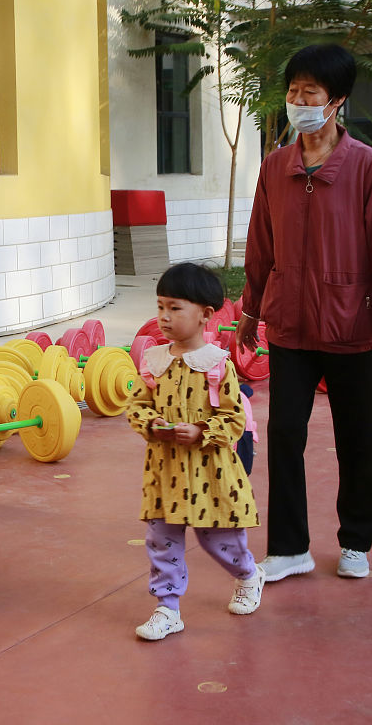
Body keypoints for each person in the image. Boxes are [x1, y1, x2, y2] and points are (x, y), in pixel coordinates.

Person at [236, 43, 372, 584]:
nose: (299, 101)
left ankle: (356, 542)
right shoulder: (275, 167)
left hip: (353, 326)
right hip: (291, 327)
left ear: (336, 100)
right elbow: (260, 244)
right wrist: (251, 310)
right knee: (285, 435)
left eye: (310, 92)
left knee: (357, 440)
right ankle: (290, 548)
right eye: (293, 91)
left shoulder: (366, 167)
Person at [125, 262, 263, 641]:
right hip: (164, 473)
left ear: (205, 315)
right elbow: (136, 406)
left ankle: (248, 574)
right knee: (161, 541)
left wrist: (202, 430)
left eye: (175, 308)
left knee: (217, 539)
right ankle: (167, 608)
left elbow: (234, 418)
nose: (164, 317)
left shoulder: (217, 365)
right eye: (160, 307)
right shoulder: (154, 362)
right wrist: (151, 423)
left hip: (210, 475)